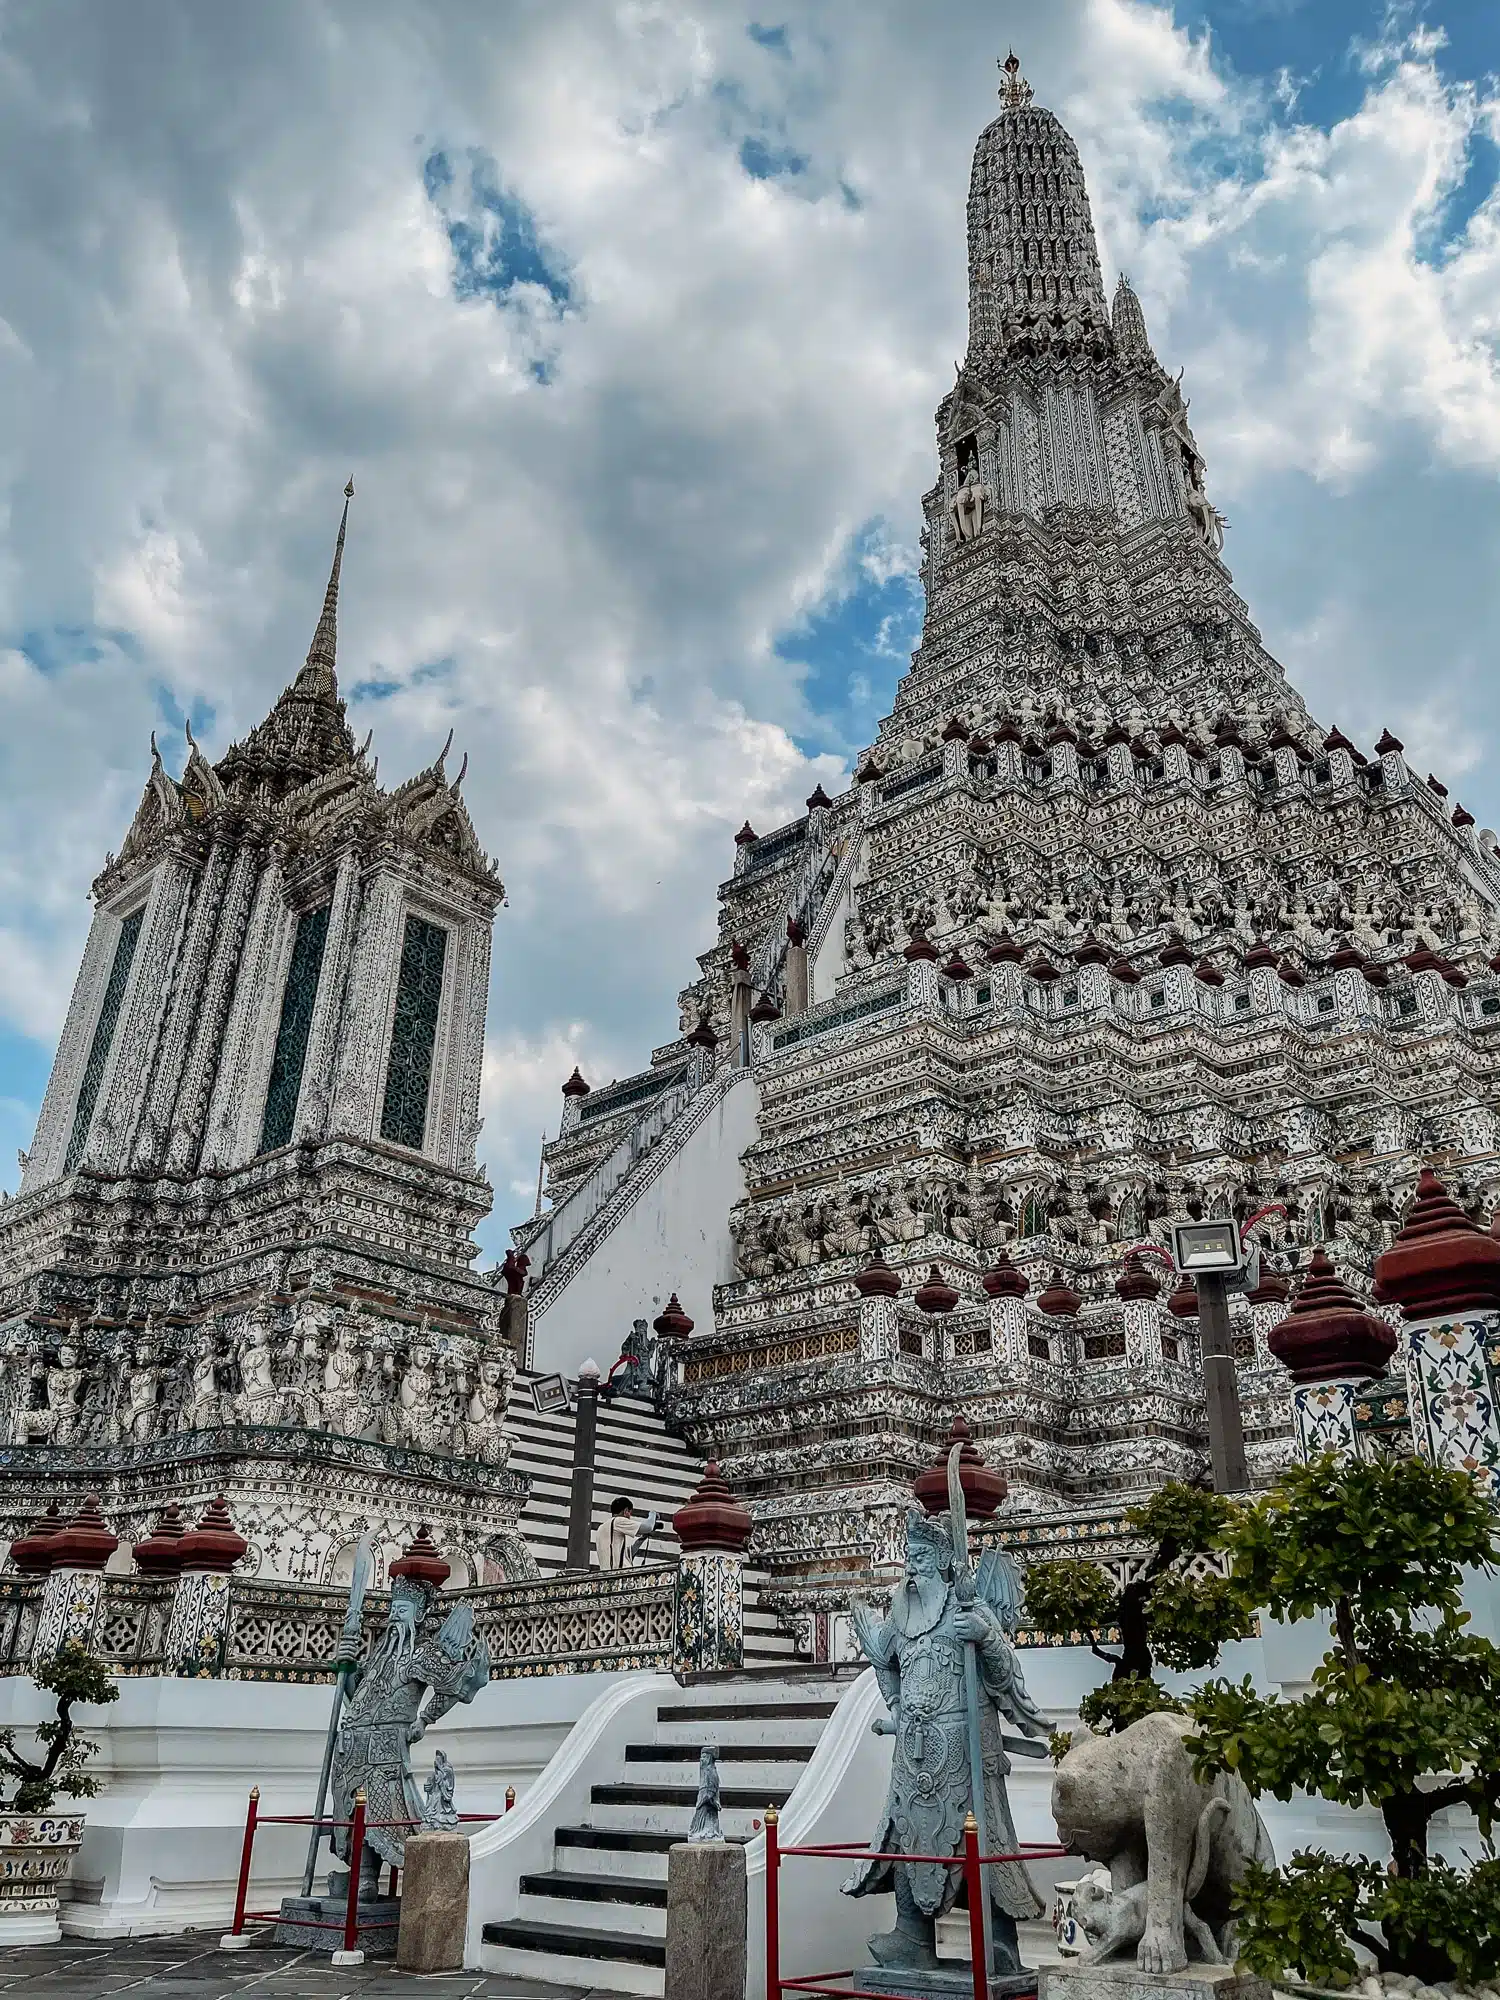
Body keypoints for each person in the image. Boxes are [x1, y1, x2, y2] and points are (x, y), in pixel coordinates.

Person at [595, 1495, 635, 1571]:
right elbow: (648, 1527)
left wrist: (642, 1538)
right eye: (630, 1513)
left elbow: (626, 1554)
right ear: (625, 1511)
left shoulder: (601, 1528)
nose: (630, 1517)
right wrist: (652, 1514)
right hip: (621, 1573)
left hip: (606, 1573)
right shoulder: (618, 1521)